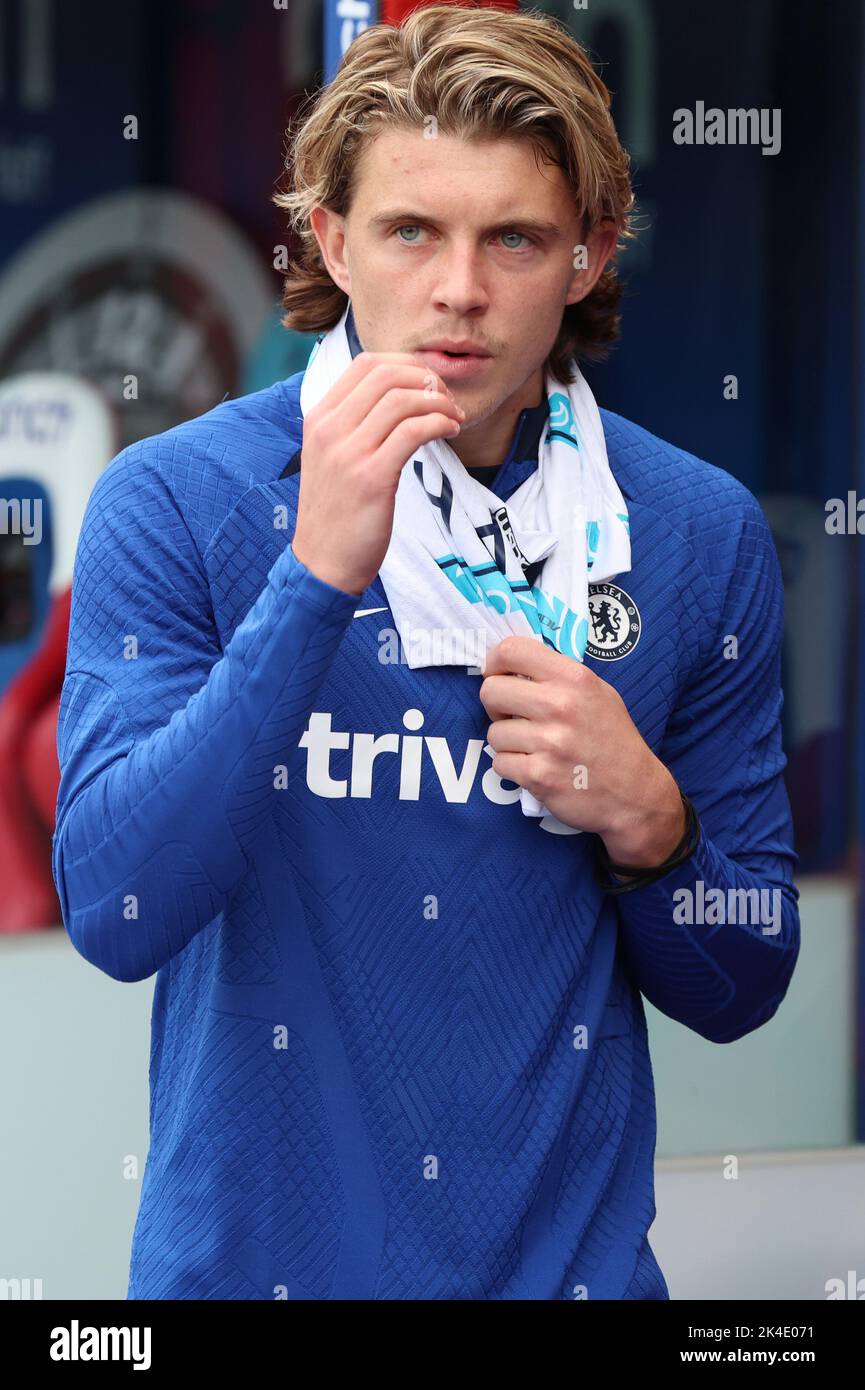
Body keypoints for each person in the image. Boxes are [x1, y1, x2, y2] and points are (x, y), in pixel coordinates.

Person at [52, 4, 800, 1300]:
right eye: (412, 231)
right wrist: (313, 581)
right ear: (333, 241)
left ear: (587, 251)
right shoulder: (176, 497)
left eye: (512, 236)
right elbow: (117, 909)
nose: (458, 289)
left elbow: (743, 981)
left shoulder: (689, 531)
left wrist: (652, 823)